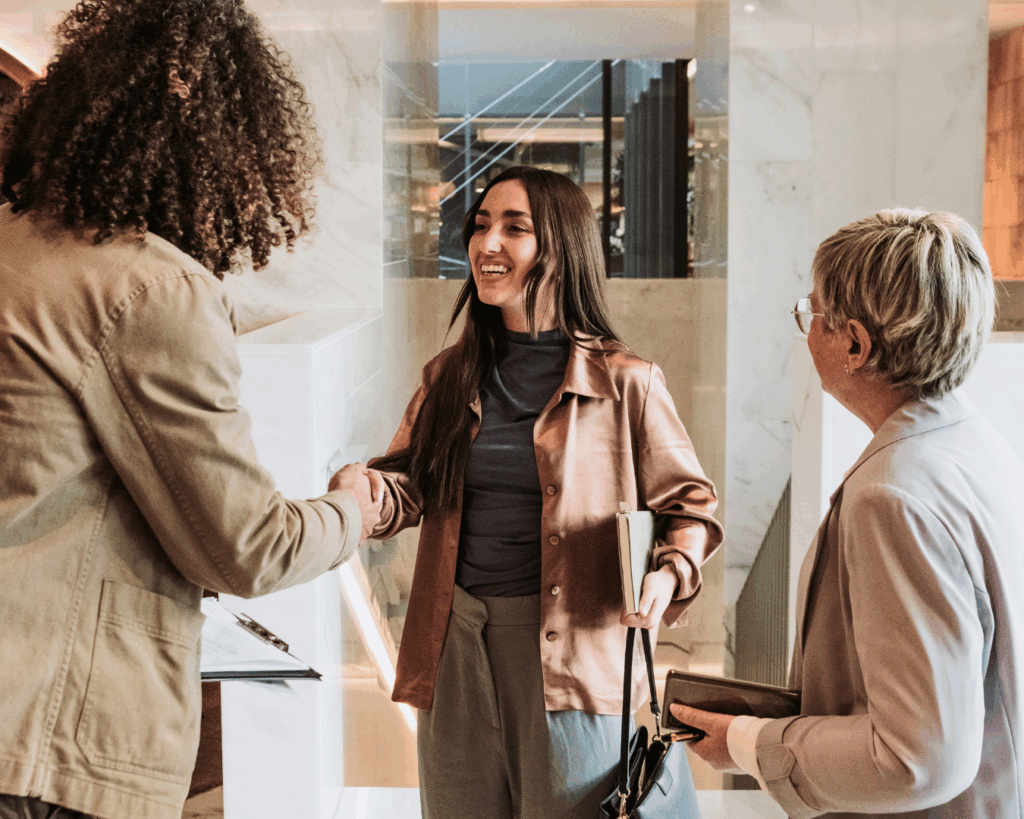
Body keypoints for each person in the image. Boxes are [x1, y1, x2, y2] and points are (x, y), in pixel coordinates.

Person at [0, 3, 381, 819]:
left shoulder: (11, 245)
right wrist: (357, 507)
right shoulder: (148, 287)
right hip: (48, 745)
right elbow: (248, 548)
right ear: (226, 145)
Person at [346, 166, 723, 818]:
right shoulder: (450, 374)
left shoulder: (625, 381)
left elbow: (689, 503)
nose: (487, 242)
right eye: (481, 225)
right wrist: (360, 493)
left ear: (561, 246)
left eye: (513, 228)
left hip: (575, 657)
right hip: (455, 645)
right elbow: (408, 486)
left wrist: (668, 573)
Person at [673, 209, 1024, 818]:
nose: (805, 331)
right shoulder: (972, 443)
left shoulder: (894, 496)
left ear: (856, 345)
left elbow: (915, 760)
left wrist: (748, 742)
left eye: (811, 315)